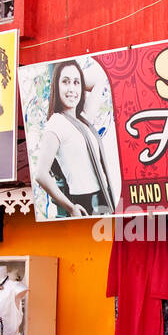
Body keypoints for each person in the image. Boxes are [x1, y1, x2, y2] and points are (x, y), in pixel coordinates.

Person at [33, 60, 122, 217]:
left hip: (103, 197)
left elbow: (98, 80)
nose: (72, 89)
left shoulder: (83, 119)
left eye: (76, 83)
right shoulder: (56, 122)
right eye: (65, 82)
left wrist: (76, 80)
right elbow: (40, 174)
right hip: (84, 202)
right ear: (56, 86)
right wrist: (70, 207)